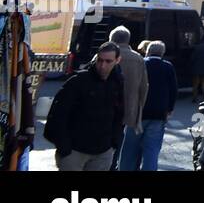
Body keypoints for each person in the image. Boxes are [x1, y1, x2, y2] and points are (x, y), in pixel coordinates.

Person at [45, 42, 124, 171]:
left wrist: (114, 142)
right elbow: (58, 114)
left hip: (102, 150)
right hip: (74, 150)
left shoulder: (117, 82)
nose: (103, 65)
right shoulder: (78, 81)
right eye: (100, 60)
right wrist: (63, 146)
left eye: (108, 61)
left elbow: (119, 113)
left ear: (117, 60)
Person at [110, 26, 149, 171]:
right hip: (128, 109)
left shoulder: (104, 55)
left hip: (104, 108)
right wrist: (139, 108)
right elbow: (144, 87)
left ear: (112, 39)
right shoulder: (138, 59)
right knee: (121, 142)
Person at [134, 41, 177, 171]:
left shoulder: (141, 64)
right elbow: (173, 89)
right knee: (152, 148)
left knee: (131, 146)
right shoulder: (168, 66)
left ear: (147, 51)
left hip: (139, 111)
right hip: (159, 112)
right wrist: (169, 108)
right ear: (162, 53)